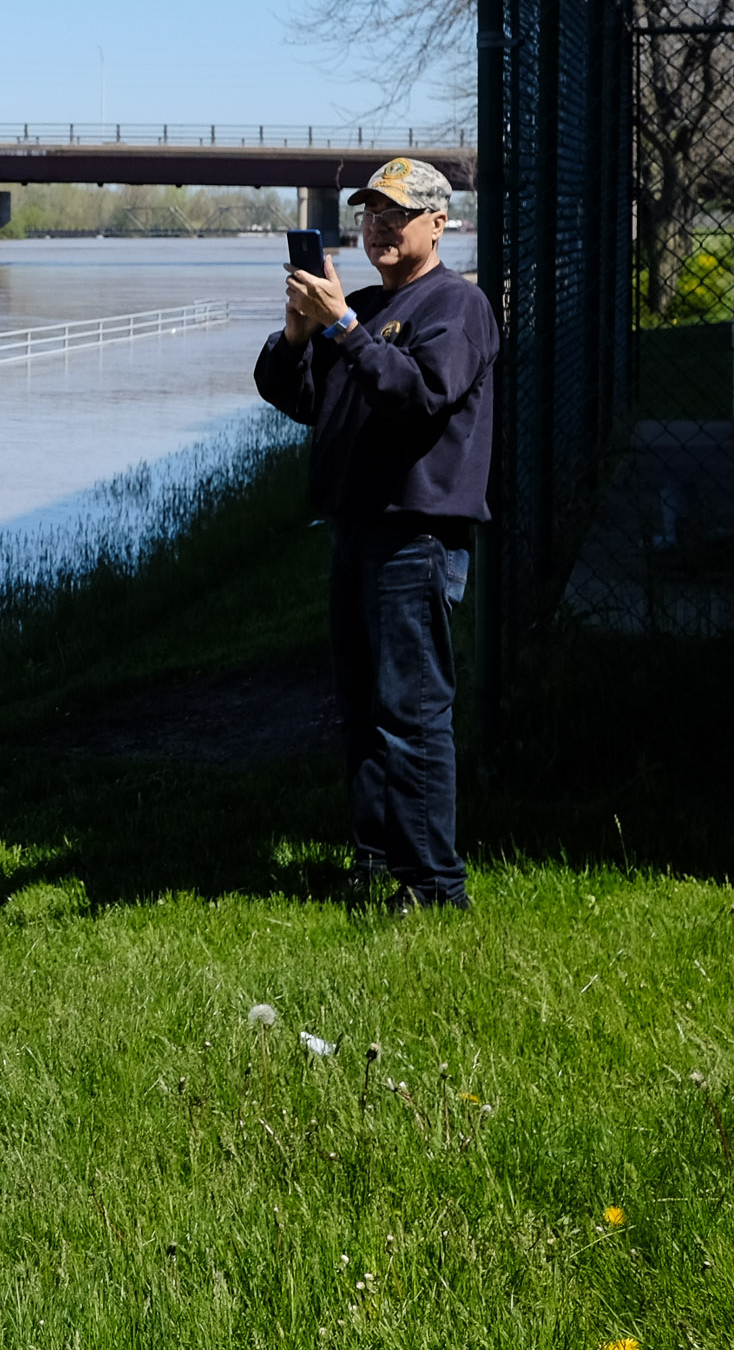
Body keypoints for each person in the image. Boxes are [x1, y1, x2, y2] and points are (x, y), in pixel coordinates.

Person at [253, 157, 497, 913]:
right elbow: (292, 396)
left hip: (416, 536)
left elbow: (421, 393)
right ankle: (375, 863)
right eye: (369, 215)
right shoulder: (356, 306)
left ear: (438, 223)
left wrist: (348, 329)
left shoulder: (456, 306)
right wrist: (298, 335)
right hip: (356, 531)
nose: (379, 227)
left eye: (396, 214)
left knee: (412, 713)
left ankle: (433, 886)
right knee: (362, 709)